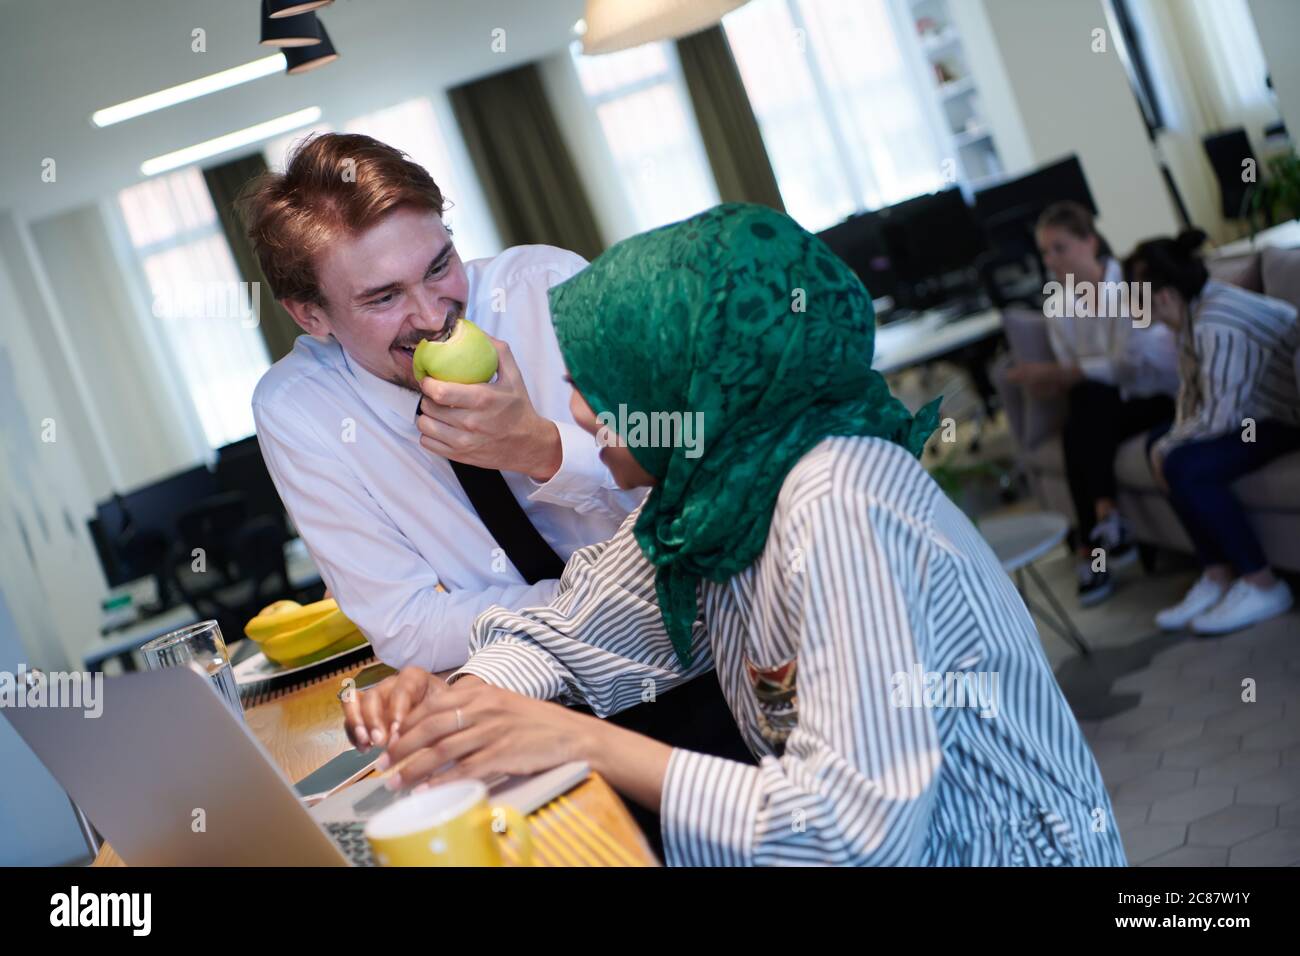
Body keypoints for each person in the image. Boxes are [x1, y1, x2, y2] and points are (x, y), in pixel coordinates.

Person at [345, 204, 1127, 867]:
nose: (579, 416)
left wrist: (582, 744)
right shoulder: (715, 491)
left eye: (604, 383)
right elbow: (572, 628)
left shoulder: (841, 503)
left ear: (694, 382)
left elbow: (854, 832)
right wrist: (463, 700)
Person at [241, 133, 644, 676]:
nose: (434, 317)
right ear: (311, 316)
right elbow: (409, 627)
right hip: (533, 695)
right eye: (384, 297)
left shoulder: (547, 288)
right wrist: (612, 599)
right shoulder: (300, 410)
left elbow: (689, 483)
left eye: (438, 267)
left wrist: (545, 449)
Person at [1126, 229, 1300, 634]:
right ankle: (1216, 574)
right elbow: (1192, 398)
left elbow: (1221, 416)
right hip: (1254, 414)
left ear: (1164, 295)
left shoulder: (1214, 322)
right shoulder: (1191, 315)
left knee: (1186, 465)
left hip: (1284, 417)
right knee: (1161, 444)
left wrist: (1171, 447)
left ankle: (1263, 583)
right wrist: (1166, 442)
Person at [1009, 202, 1178, 606]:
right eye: (1045, 252)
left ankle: (1092, 552)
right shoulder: (1057, 305)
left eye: (1059, 248)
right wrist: (1062, 377)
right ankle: (1107, 519)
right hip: (1106, 408)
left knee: (1085, 402)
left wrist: (1070, 373)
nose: (1050, 261)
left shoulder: (1132, 287)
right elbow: (1083, 370)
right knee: (1084, 407)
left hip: (1154, 398)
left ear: (1090, 242)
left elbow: (1131, 366)